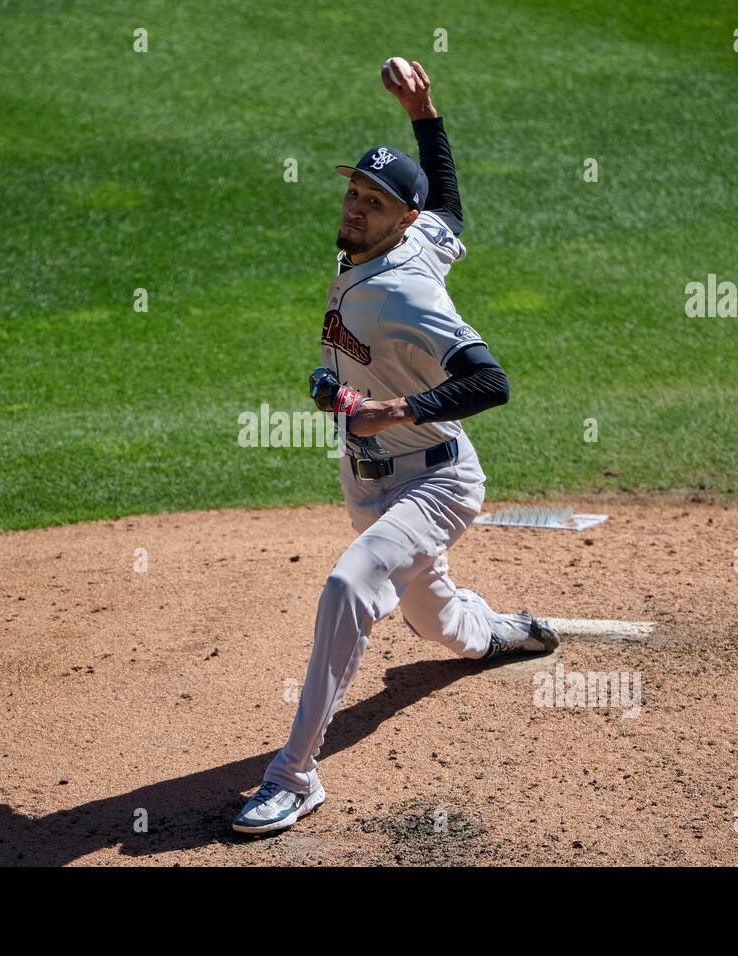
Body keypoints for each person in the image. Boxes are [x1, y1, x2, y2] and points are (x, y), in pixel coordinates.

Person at [232, 61, 559, 836]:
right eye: (351, 190)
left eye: (371, 202)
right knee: (438, 623)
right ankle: (494, 632)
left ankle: (294, 775)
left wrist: (394, 408)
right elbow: (447, 203)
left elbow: (491, 382)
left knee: (350, 588)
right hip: (367, 478)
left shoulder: (410, 291)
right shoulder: (400, 240)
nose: (353, 205)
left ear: (397, 223)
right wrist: (425, 113)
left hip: (436, 480)